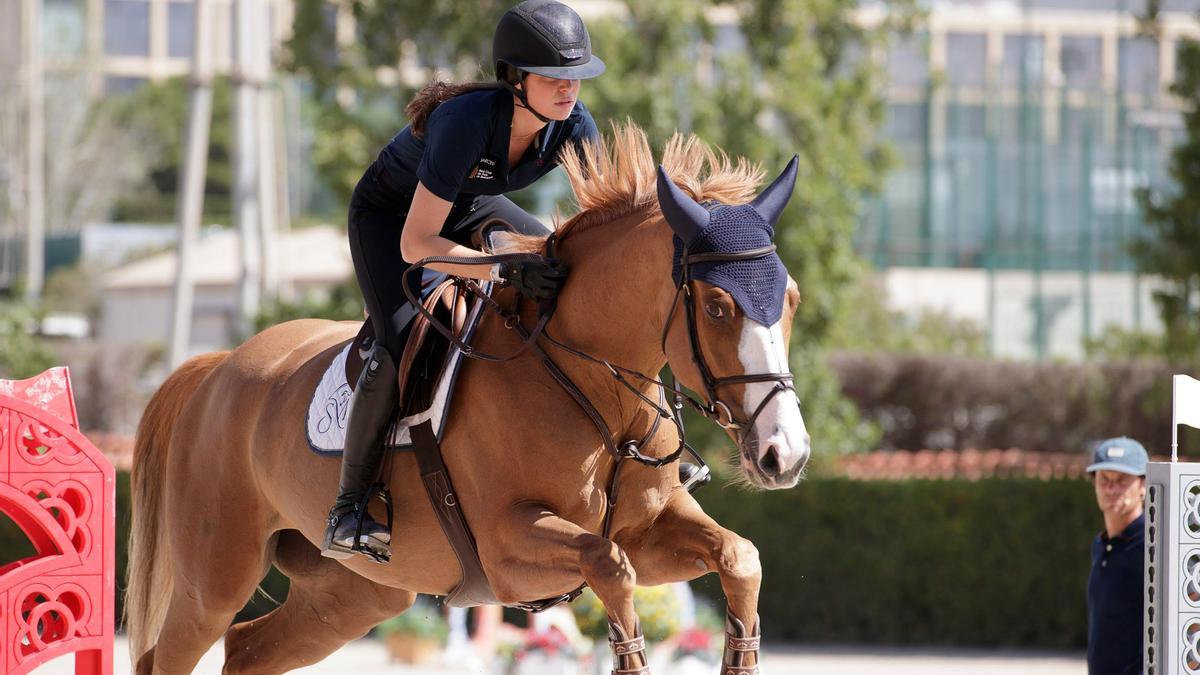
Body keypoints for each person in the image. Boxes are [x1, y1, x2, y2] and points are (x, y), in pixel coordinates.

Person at [321, 0, 606, 562]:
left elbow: (600, 225)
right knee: (399, 340)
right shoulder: (467, 121)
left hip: (470, 207)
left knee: (562, 269)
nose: (568, 88)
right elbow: (416, 244)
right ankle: (350, 505)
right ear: (515, 79)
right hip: (393, 220)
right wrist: (502, 265)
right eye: (553, 76)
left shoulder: (575, 126)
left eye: (575, 76)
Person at [1086, 436, 1149, 675]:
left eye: (1122, 480)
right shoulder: (1101, 544)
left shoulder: (1154, 545)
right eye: (1104, 479)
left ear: (1143, 485)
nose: (1111, 488)